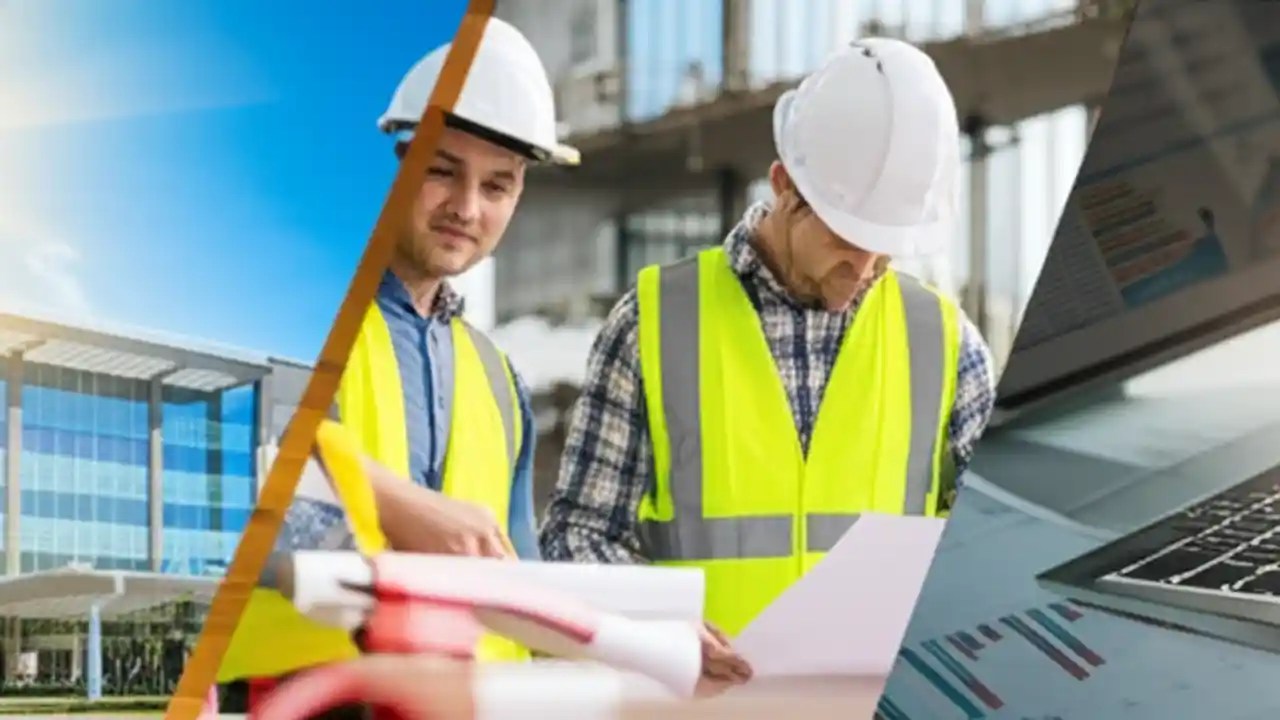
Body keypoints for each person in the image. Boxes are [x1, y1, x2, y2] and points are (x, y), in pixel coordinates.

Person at [539, 37, 997, 683]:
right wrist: (653, 628)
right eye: (846, 241)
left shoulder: (947, 343)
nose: (861, 273)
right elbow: (576, 537)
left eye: (886, 252)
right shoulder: (652, 324)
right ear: (785, 186)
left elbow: (994, 543)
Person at [216, 17, 580, 710]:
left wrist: (669, 647)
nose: (466, 208)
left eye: (497, 186)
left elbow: (526, 587)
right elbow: (247, 479)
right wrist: (400, 505)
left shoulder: (498, 379)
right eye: (440, 171)